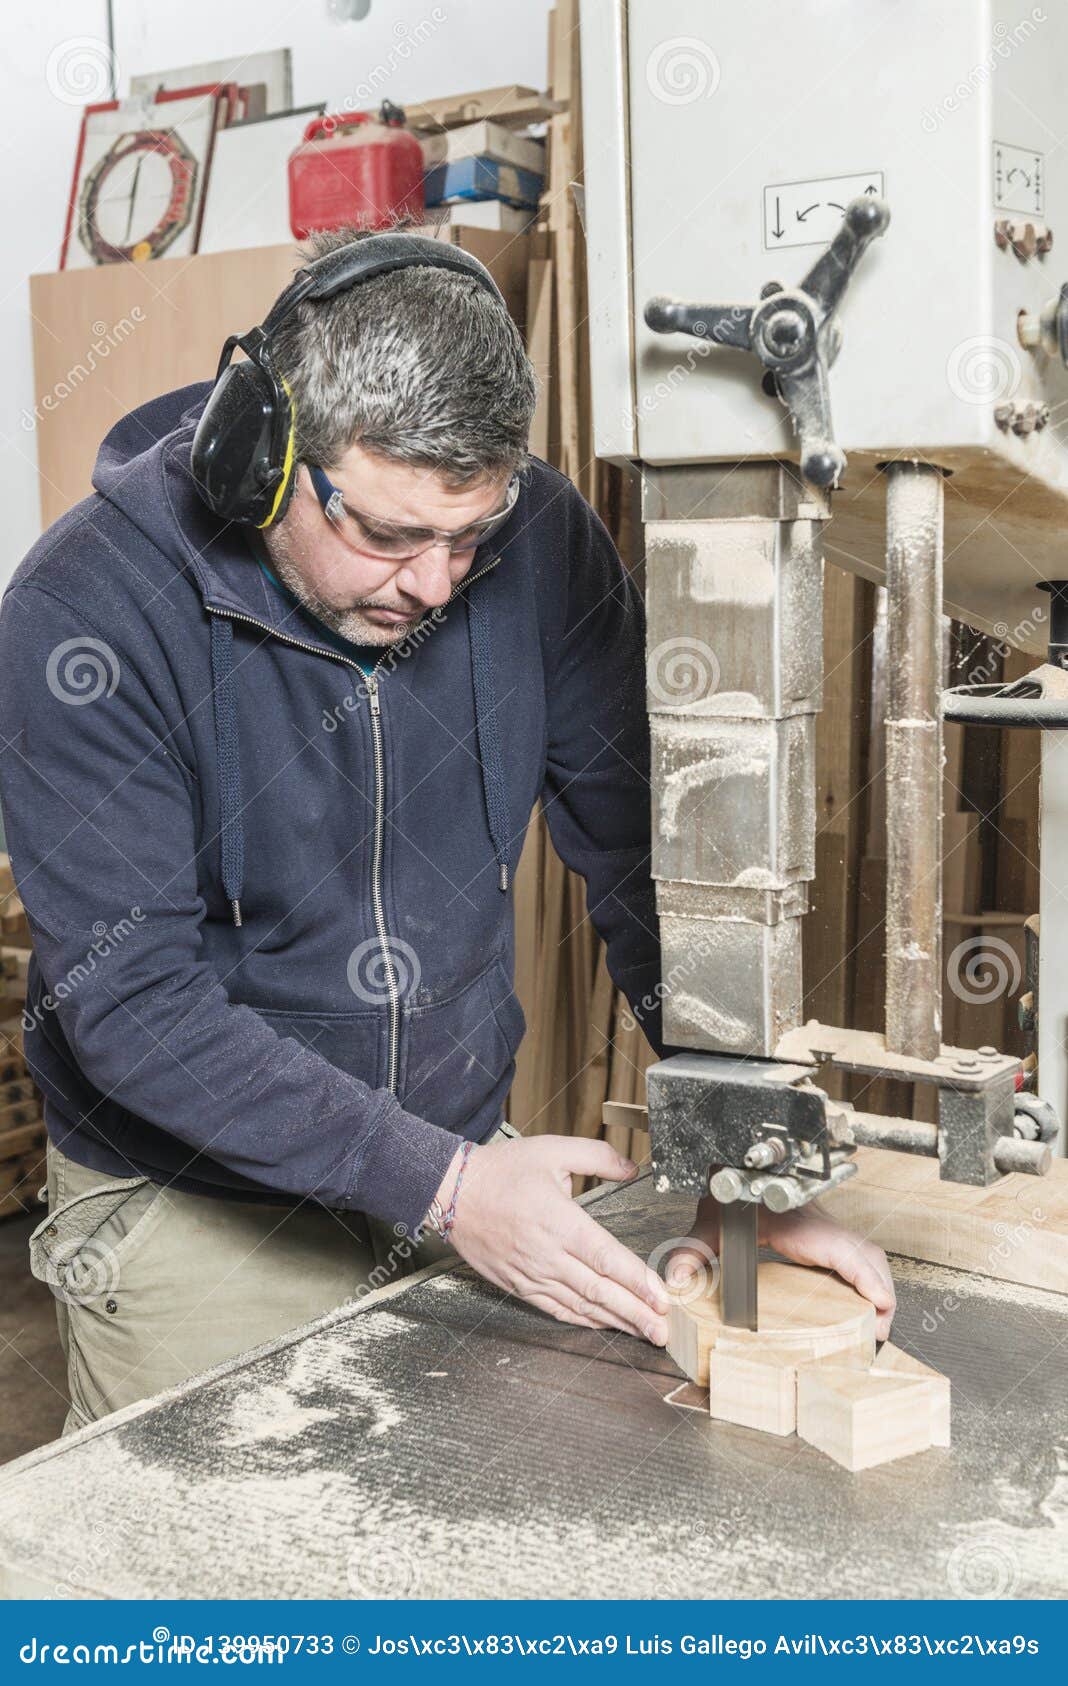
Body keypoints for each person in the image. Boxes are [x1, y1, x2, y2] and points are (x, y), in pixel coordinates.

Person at [0, 230, 894, 1430]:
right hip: (191, 1197)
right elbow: (130, 1004)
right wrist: (447, 1188)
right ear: (257, 456)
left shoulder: (538, 546)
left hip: (454, 1141)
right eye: (386, 535)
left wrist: (749, 1155)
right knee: (232, 1574)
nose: (432, 583)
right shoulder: (85, 614)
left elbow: (648, 852)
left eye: (465, 539)